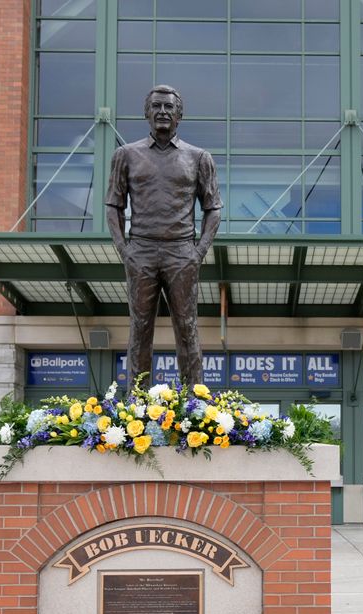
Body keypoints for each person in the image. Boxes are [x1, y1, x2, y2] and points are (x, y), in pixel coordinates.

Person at [105, 85, 222, 391]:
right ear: (146, 113)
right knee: (140, 328)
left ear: (179, 115)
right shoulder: (126, 155)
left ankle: (195, 403)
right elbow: (113, 206)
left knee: (187, 327)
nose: (162, 112)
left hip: (181, 250)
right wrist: (124, 251)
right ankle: (138, 403)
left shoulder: (198, 158)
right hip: (140, 249)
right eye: (156, 106)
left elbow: (213, 210)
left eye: (169, 107)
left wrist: (197, 253)